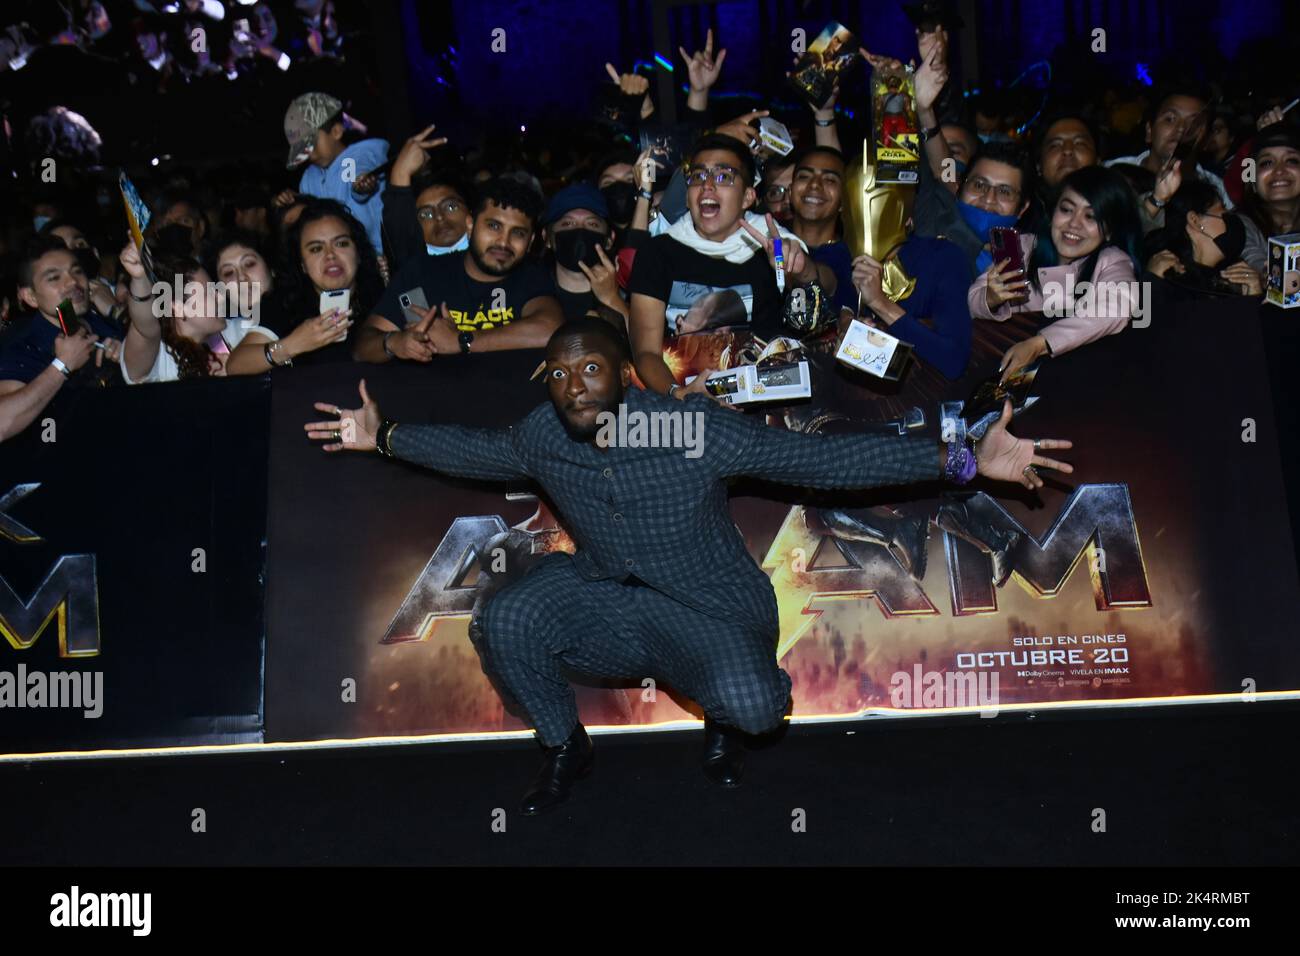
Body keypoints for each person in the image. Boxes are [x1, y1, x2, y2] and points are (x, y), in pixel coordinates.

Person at [304, 317, 1074, 813]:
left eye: (590, 370)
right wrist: (385, 435)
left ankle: (723, 717)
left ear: (624, 375)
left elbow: (820, 462)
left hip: (707, 610)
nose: (573, 387)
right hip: (605, 601)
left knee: (758, 710)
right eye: (559, 375)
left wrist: (960, 459)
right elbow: (479, 450)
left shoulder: (693, 431)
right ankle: (565, 746)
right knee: (504, 619)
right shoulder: (544, 434)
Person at [627, 133, 816, 396]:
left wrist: (802, 270)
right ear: (687, 197)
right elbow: (645, 351)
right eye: (698, 177)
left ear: (748, 197)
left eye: (724, 177)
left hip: (766, 400)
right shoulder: (657, 252)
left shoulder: (774, 247)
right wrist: (679, 394)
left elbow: (822, 296)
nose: (707, 186)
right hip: (684, 397)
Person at [355, 177, 562, 362]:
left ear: (530, 242)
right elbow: (363, 346)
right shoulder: (422, 271)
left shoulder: (531, 275)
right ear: (470, 225)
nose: (503, 242)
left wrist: (460, 340)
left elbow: (551, 328)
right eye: (493, 226)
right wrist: (395, 342)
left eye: (518, 233)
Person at [967, 165, 1144, 380]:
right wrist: (990, 298)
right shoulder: (1023, 247)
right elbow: (972, 300)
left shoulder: (1112, 261)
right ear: (1052, 213)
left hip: (1073, 377)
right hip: (998, 365)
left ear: (1109, 231)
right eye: (1067, 210)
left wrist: (1039, 344)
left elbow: (1116, 308)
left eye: (1091, 216)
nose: (1074, 224)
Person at [227, 199, 383, 372]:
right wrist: (291, 345)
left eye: (341, 243)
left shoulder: (382, 297)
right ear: (302, 265)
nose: (330, 255)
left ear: (358, 253)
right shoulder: (286, 304)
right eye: (316, 249)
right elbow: (236, 364)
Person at [117, 241, 264, 383]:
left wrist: (239, 367)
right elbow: (145, 326)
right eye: (209, 292)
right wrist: (140, 278)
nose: (220, 297)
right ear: (178, 307)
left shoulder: (238, 331)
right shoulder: (159, 356)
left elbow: (275, 346)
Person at [279, 92, 388, 255]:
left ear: (336, 131)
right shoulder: (308, 178)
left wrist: (361, 186)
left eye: (312, 144)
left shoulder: (355, 158)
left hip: (378, 256)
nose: (310, 155)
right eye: (302, 150)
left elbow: (357, 175)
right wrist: (296, 202)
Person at [1104, 87, 1233, 213]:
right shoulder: (1112, 174)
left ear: (1206, 141)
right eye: (1170, 119)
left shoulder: (1220, 192)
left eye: (1194, 124)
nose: (1182, 129)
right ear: (1149, 131)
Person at [1145, 180, 1265, 301]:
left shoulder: (1236, 279)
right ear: (1195, 220)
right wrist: (1150, 282)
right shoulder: (1163, 272)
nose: (1231, 216)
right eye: (1222, 208)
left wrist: (1254, 297)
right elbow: (1142, 312)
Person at [381, 125, 467, 272]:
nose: (439, 217)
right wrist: (400, 173)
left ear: (470, 212)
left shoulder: (494, 258)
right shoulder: (416, 273)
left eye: (450, 207)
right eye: (426, 215)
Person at [541, 184, 627, 324]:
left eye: (592, 224)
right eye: (567, 223)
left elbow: (643, 337)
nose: (580, 230)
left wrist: (612, 299)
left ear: (609, 239)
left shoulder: (629, 291)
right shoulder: (531, 290)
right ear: (547, 237)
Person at [1241, 124, 1300, 239]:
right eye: (1267, 163)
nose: (1279, 171)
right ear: (1252, 179)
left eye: (1291, 160)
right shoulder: (1235, 229)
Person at [206, 231, 275, 321]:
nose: (241, 277)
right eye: (229, 273)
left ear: (269, 267)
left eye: (249, 264)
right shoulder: (224, 329)